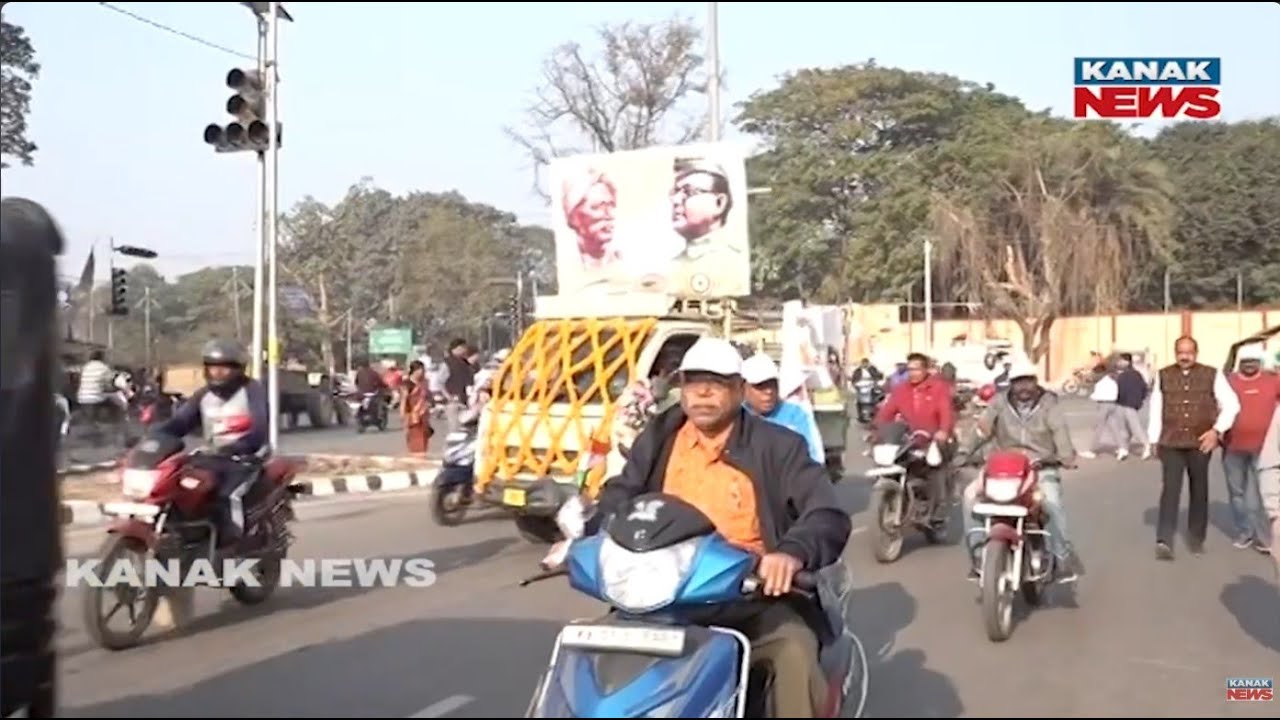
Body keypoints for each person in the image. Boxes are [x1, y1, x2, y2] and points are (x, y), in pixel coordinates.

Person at [591, 337, 851, 718]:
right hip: (662, 595)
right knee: (589, 649)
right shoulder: (660, 436)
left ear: (738, 389)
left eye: (717, 383)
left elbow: (825, 511)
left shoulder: (778, 446)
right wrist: (588, 532)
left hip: (746, 598)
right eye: (693, 383)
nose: (703, 393)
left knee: (793, 649)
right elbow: (622, 493)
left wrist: (790, 553)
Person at [960, 361, 1085, 581]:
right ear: (1011, 384)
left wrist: (1066, 456)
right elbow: (982, 430)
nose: (1023, 387)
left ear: (1036, 382)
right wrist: (963, 452)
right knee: (970, 497)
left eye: (1028, 381)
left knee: (1052, 503)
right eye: (1018, 382)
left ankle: (1061, 556)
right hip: (1003, 469)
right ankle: (979, 557)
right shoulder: (999, 403)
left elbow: (1060, 432)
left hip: (1040, 466)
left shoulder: (1049, 404)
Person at [155, 339, 269, 546]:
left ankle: (237, 545)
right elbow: (179, 423)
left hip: (246, 458)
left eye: (224, 368)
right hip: (212, 458)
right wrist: (154, 438)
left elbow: (259, 429)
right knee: (179, 489)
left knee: (228, 495)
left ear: (238, 369)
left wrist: (241, 446)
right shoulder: (203, 395)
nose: (217, 373)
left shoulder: (252, 390)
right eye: (213, 367)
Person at [1147, 336, 1240, 560]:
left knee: (1199, 490)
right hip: (1171, 441)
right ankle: (1164, 540)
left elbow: (1232, 404)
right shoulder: (1164, 375)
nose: (1184, 356)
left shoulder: (1212, 374)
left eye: (1188, 352)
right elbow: (1156, 407)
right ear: (1175, 352)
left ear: (1196, 353)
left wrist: (1217, 431)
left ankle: (1196, 538)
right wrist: (1152, 439)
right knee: (1170, 490)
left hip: (1200, 442)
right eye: (1180, 352)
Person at [873, 352, 956, 527]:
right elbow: (886, 413)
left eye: (917, 369)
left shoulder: (939, 388)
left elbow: (946, 412)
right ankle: (899, 499)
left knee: (935, 464)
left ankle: (938, 509)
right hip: (909, 439)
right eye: (909, 369)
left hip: (934, 438)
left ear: (926, 370)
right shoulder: (901, 389)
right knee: (890, 460)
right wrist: (878, 430)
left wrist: (943, 431)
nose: (912, 373)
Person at [1222, 344, 1278, 553]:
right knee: (1237, 493)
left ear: (1260, 363)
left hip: (1263, 449)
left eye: (1254, 362)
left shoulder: (1272, 380)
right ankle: (1245, 532)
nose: (1249, 366)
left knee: (1258, 495)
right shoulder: (1229, 383)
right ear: (1240, 363)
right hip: (1233, 447)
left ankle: (1263, 536)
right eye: (1246, 362)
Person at [741, 353, 825, 464]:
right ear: (744, 388)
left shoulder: (796, 414)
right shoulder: (736, 417)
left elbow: (815, 457)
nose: (768, 391)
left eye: (772, 384)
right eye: (760, 386)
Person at [401, 360, 432, 455]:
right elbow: (404, 400)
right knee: (415, 442)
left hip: (424, 417)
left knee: (424, 441)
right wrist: (403, 416)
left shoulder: (424, 383)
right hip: (412, 417)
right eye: (421, 370)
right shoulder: (407, 384)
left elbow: (428, 398)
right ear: (415, 371)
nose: (423, 373)